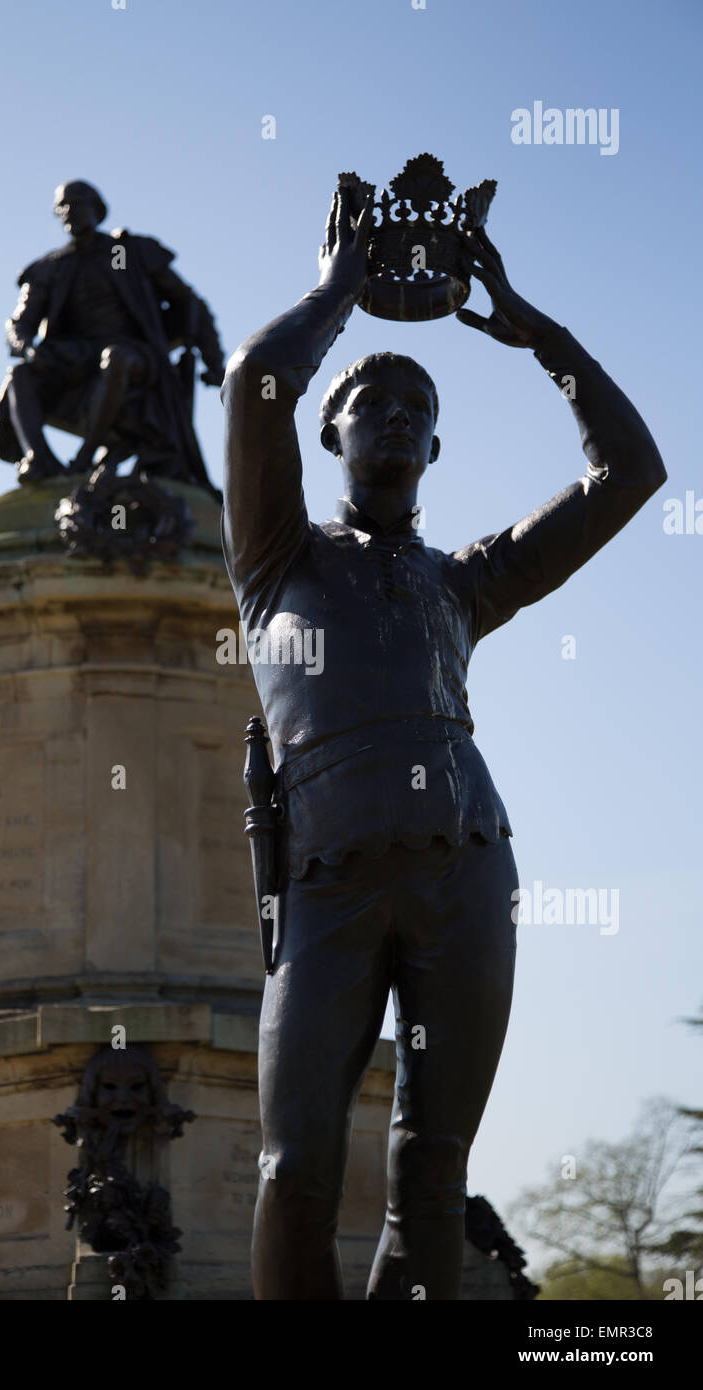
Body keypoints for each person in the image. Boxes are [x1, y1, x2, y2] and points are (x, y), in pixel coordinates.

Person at [221, 186, 666, 1300]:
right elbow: (255, 377)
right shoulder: (276, 559)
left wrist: (540, 337)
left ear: (435, 443)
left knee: (432, 1166)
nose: (393, 415)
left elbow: (631, 474)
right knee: (296, 1167)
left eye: (414, 405)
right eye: (367, 401)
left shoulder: (461, 583)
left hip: (466, 871)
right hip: (325, 880)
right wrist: (339, 290)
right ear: (328, 433)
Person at [0, 180, 224, 488]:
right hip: (74, 356)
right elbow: (19, 323)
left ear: (97, 209)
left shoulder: (130, 251)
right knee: (20, 375)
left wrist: (214, 362)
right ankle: (39, 460)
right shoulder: (49, 268)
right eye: (62, 206)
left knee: (116, 358)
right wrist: (27, 348)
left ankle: (84, 459)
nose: (69, 210)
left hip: (134, 352)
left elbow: (189, 303)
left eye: (77, 202)